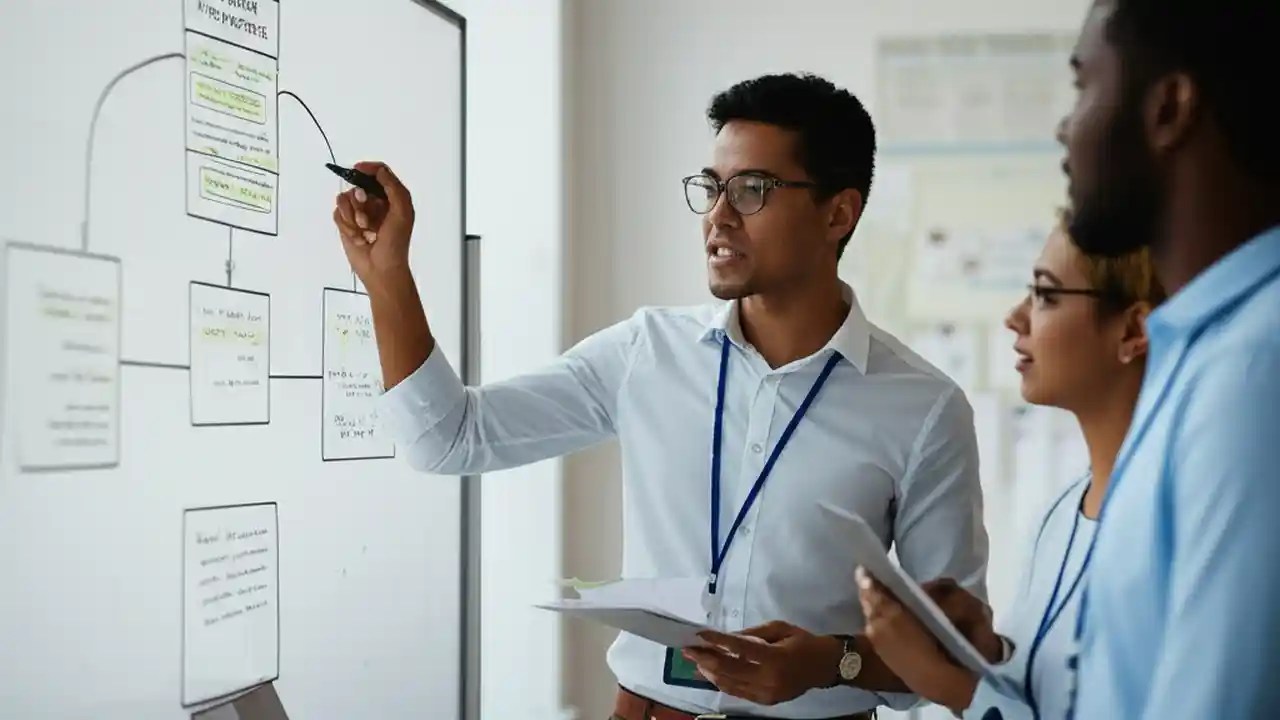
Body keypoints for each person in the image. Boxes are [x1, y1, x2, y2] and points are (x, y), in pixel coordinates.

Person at [331, 73, 990, 720]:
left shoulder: (923, 409)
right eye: (711, 188)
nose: (718, 217)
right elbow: (448, 439)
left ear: (837, 213)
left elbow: (954, 653)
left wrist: (832, 661)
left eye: (752, 189)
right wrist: (389, 276)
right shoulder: (647, 351)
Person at [1058, 0, 1280, 717]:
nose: (1067, 126)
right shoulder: (1203, 350)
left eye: (1084, 86)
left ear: (1170, 108)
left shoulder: (1255, 371)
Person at [854, 210, 1165, 720]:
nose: (1015, 317)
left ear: (1133, 328)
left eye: (1045, 295)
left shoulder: (1168, 529)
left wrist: (951, 686)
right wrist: (991, 653)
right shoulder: (1063, 513)